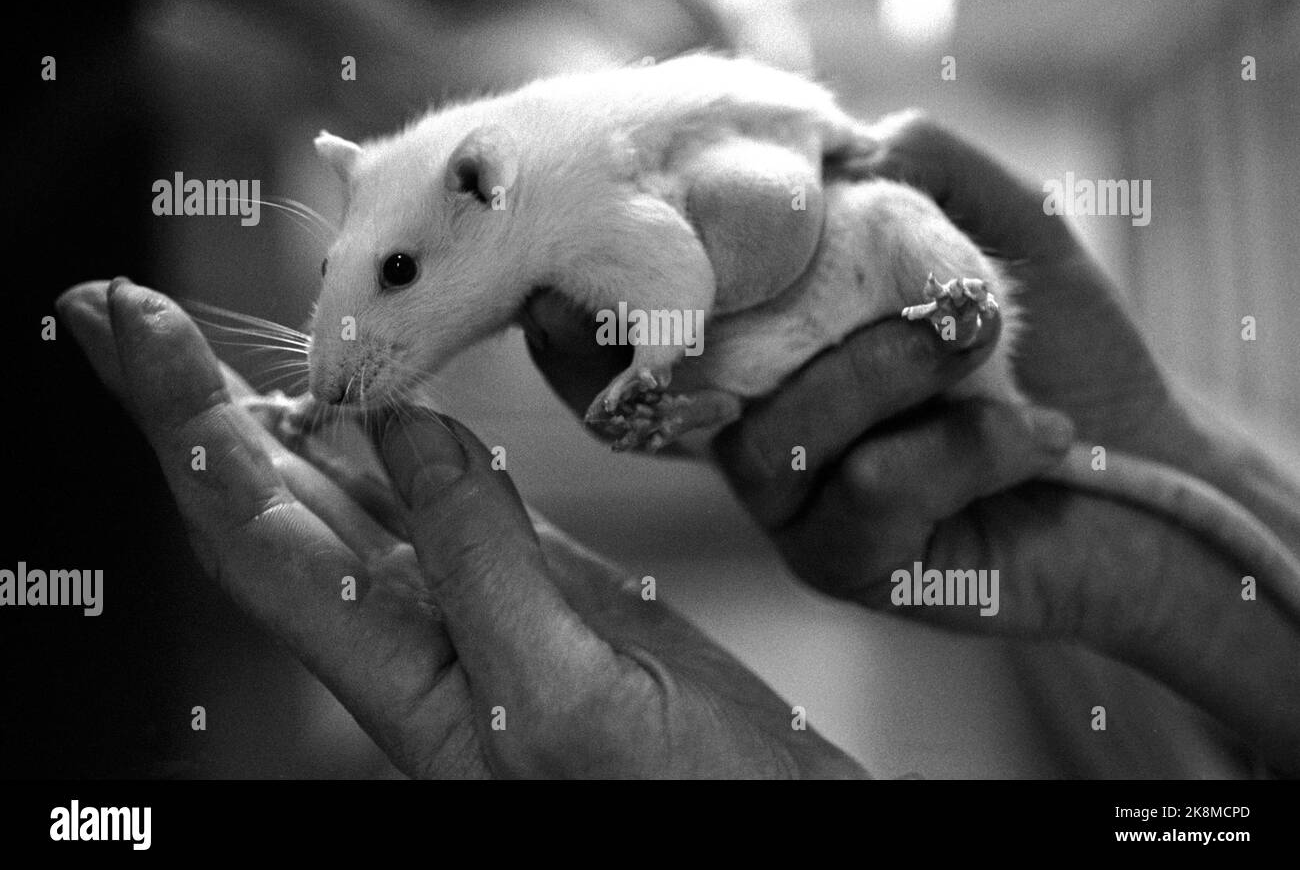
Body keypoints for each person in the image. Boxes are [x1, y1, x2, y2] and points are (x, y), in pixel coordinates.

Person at [57, 115, 1300, 778]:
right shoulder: (497, 204)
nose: (355, 326)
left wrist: (658, 363)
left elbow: (668, 269)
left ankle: (952, 312)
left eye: (392, 277)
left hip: (872, 273)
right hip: (809, 322)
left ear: (481, 189)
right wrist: (320, 399)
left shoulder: (565, 195)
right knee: (750, 375)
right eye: (349, 272)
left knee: (879, 262)